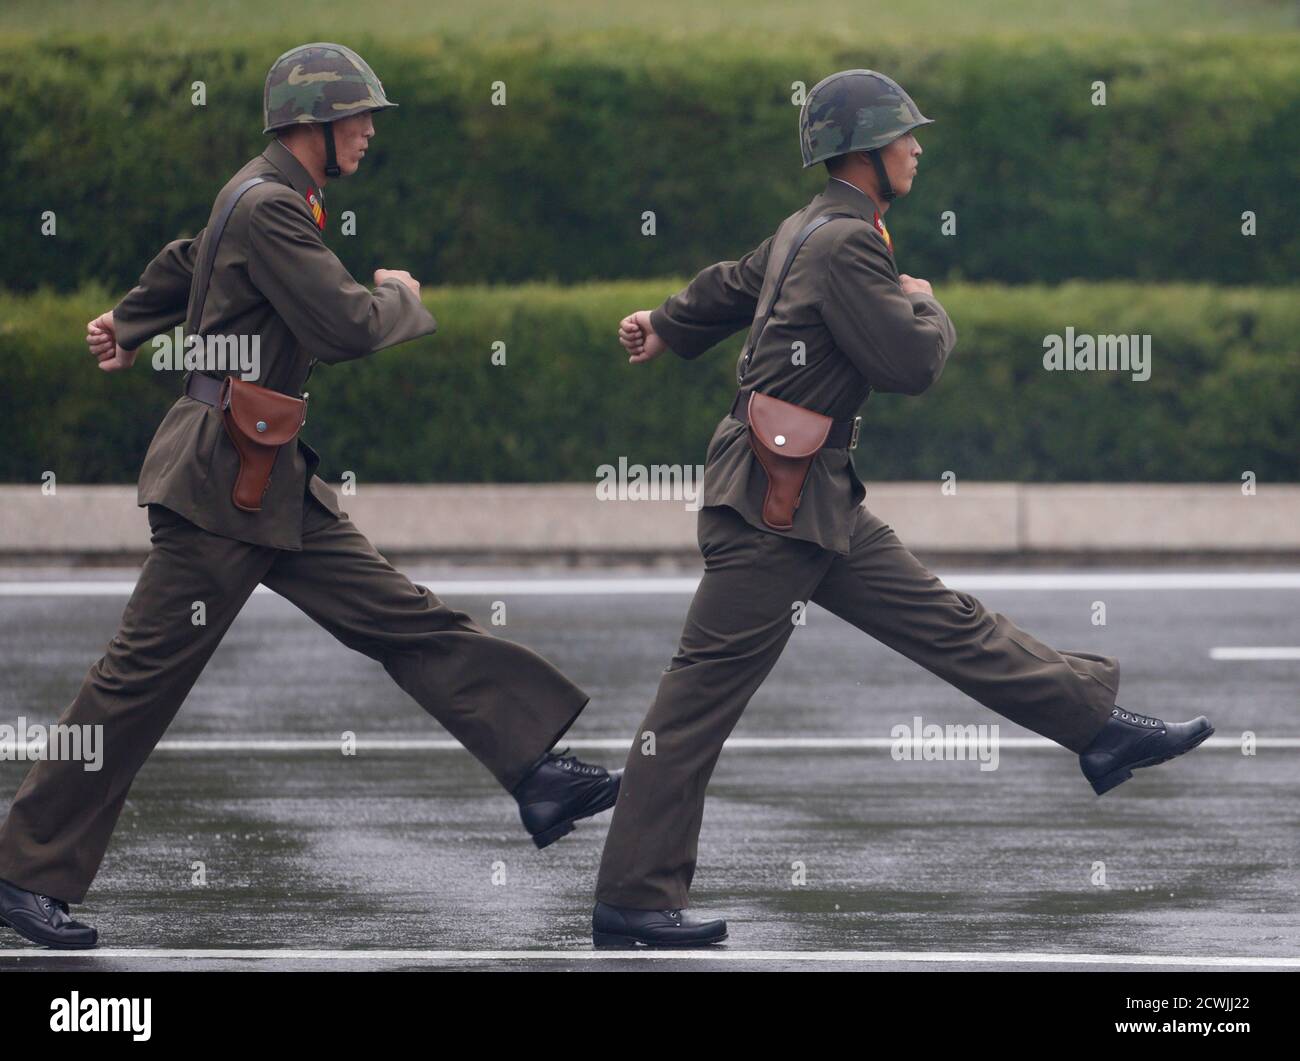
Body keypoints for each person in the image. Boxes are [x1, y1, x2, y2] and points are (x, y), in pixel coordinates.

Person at [0, 42, 619, 951]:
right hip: (221, 488)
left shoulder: (260, 198)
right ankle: (19, 871)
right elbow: (344, 324)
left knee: (399, 615)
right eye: (358, 117)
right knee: (134, 686)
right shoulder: (269, 207)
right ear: (312, 125)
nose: (370, 132)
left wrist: (131, 321)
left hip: (269, 478)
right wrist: (402, 298)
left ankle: (537, 768)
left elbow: (189, 257)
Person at [591, 69, 1213, 948]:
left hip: (812, 496)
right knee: (695, 701)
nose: (917, 146)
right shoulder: (846, 243)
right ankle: (632, 897)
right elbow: (910, 363)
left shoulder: (810, 225)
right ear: (866, 151)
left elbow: (731, 283)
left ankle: (1097, 726)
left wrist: (664, 322)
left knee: (948, 621)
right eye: (904, 135)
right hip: (778, 505)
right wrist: (926, 303)